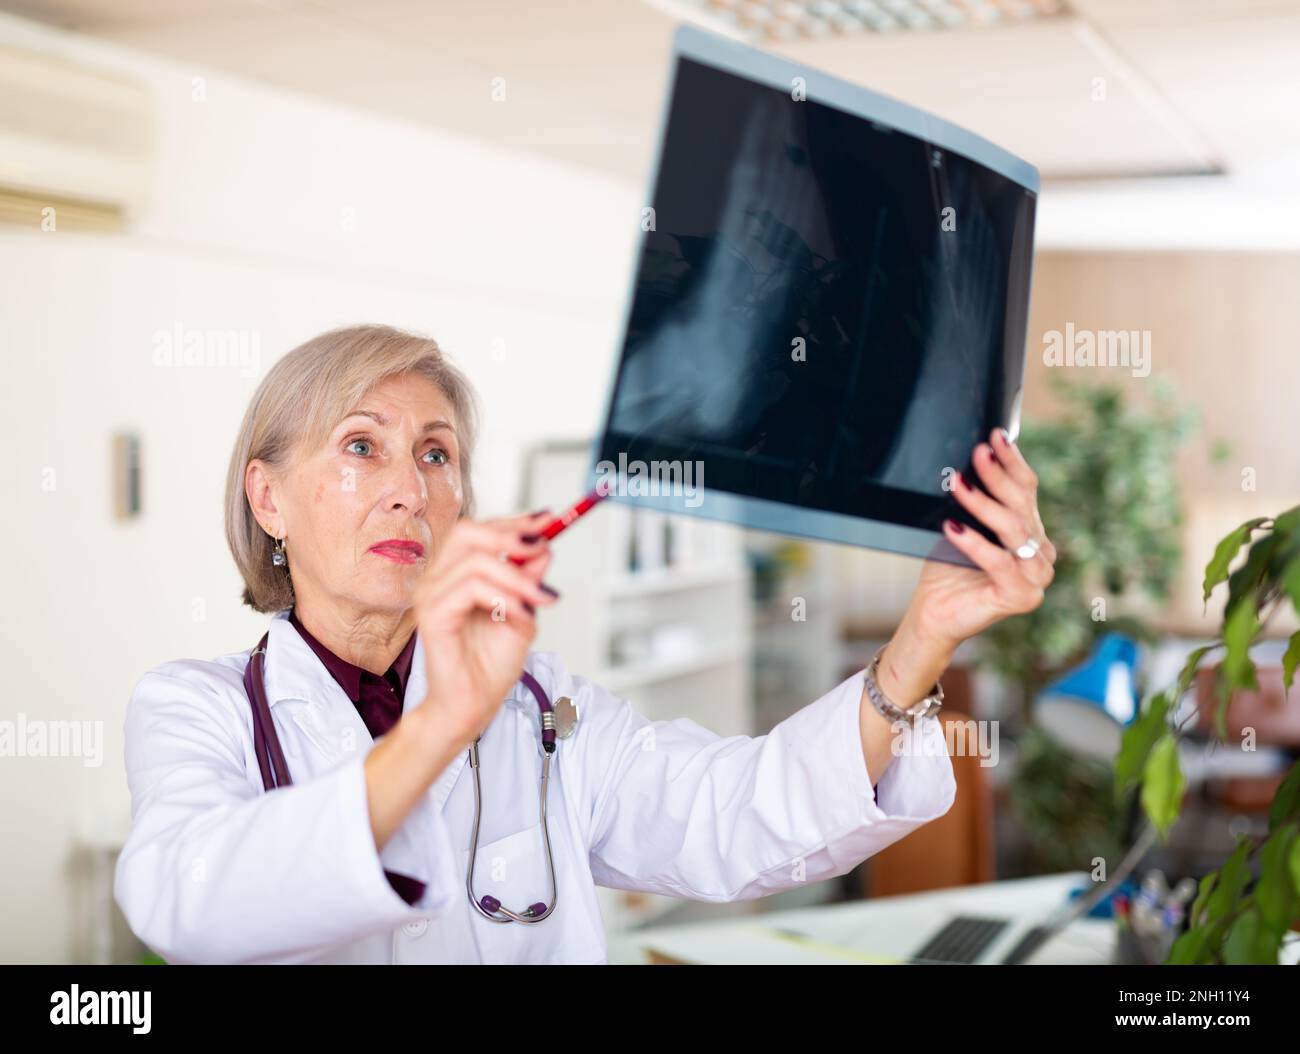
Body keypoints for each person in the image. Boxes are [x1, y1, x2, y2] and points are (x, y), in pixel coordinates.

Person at [113, 324, 1056, 964]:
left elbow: (735, 814)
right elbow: (185, 901)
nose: (409, 488)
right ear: (267, 497)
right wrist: (442, 724)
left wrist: (924, 634)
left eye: (436, 455)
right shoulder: (198, 708)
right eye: (362, 446)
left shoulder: (538, 707)